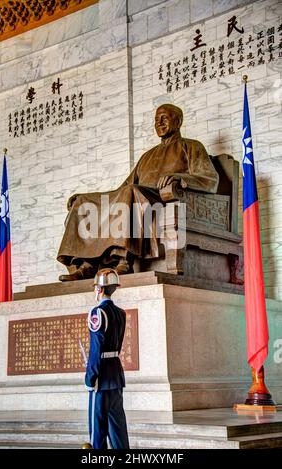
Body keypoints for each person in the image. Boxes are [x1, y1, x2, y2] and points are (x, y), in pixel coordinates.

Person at [58, 104, 219, 280]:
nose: (159, 122)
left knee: (131, 192)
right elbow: (120, 189)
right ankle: (87, 264)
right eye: (156, 119)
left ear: (178, 121)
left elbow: (210, 179)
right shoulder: (147, 156)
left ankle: (124, 262)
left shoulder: (191, 146)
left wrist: (179, 178)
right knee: (84, 202)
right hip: (136, 197)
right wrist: (89, 198)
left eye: (164, 118)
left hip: (163, 199)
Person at [84, 268, 129, 449]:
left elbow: (96, 350)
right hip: (116, 375)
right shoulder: (121, 313)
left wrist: (90, 378)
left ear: (100, 289)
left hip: (101, 378)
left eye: (96, 287)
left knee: (98, 431)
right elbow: (116, 345)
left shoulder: (98, 313)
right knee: (118, 429)